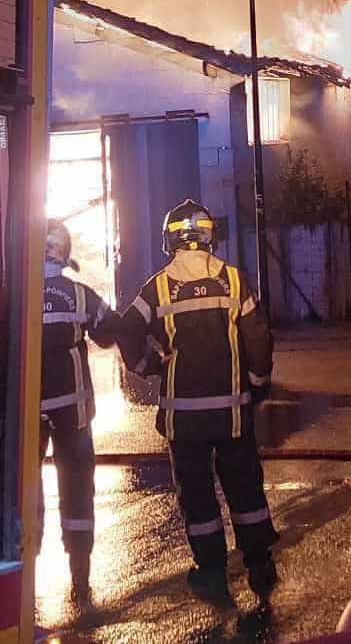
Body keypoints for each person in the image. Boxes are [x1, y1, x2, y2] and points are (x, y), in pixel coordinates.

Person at [110, 199, 279, 599]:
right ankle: (259, 565)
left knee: (197, 494)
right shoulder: (234, 281)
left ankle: (212, 570)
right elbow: (259, 336)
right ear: (209, 237)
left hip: (183, 422)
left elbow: (125, 329)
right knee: (245, 487)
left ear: (169, 240)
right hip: (233, 416)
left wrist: (149, 363)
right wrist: (258, 381)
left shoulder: (158, 286)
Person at [37, 219, 114, 598]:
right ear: (64, 253)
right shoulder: (80, 295)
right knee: (78, 489)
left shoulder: (14, 292)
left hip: (27, 416)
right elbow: (109, 333)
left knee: (24, 491)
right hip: (74, 416)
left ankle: (23, 571)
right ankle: (79, 578)